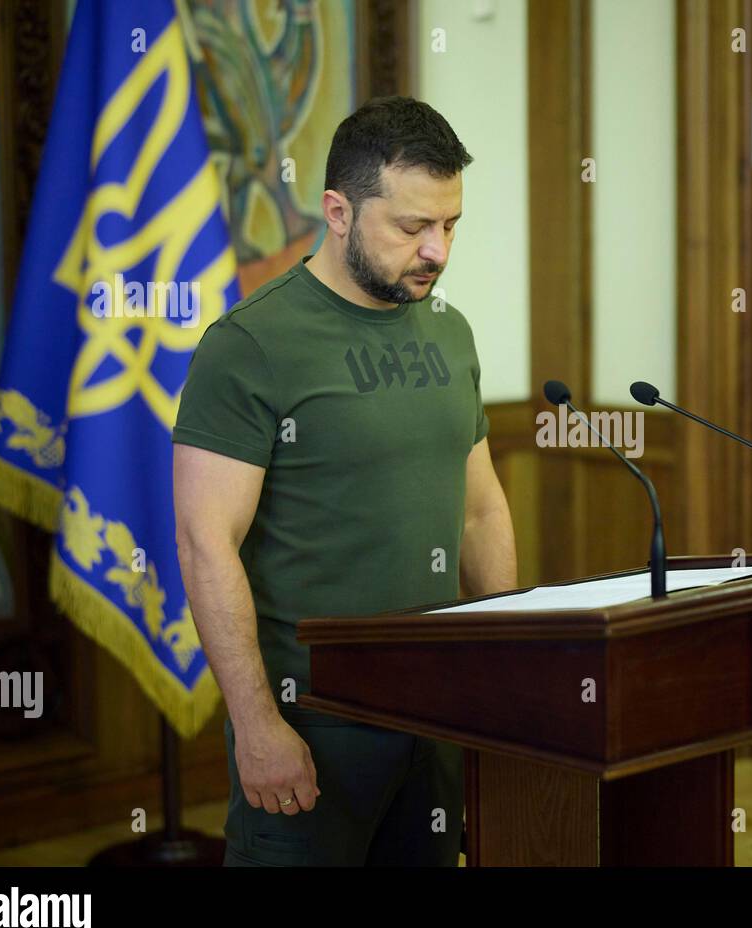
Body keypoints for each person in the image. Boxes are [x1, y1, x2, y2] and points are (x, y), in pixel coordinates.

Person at [172, 96, 517, 866]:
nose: (438, 250)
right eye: (411, 227)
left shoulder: (450, 332)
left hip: (436, 717)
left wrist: (502, 675)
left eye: (451, 225)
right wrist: (258, 726)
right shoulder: (251, 344)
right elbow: (205, 543)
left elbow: (481, 513)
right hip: (313, 723)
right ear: (337, 209)